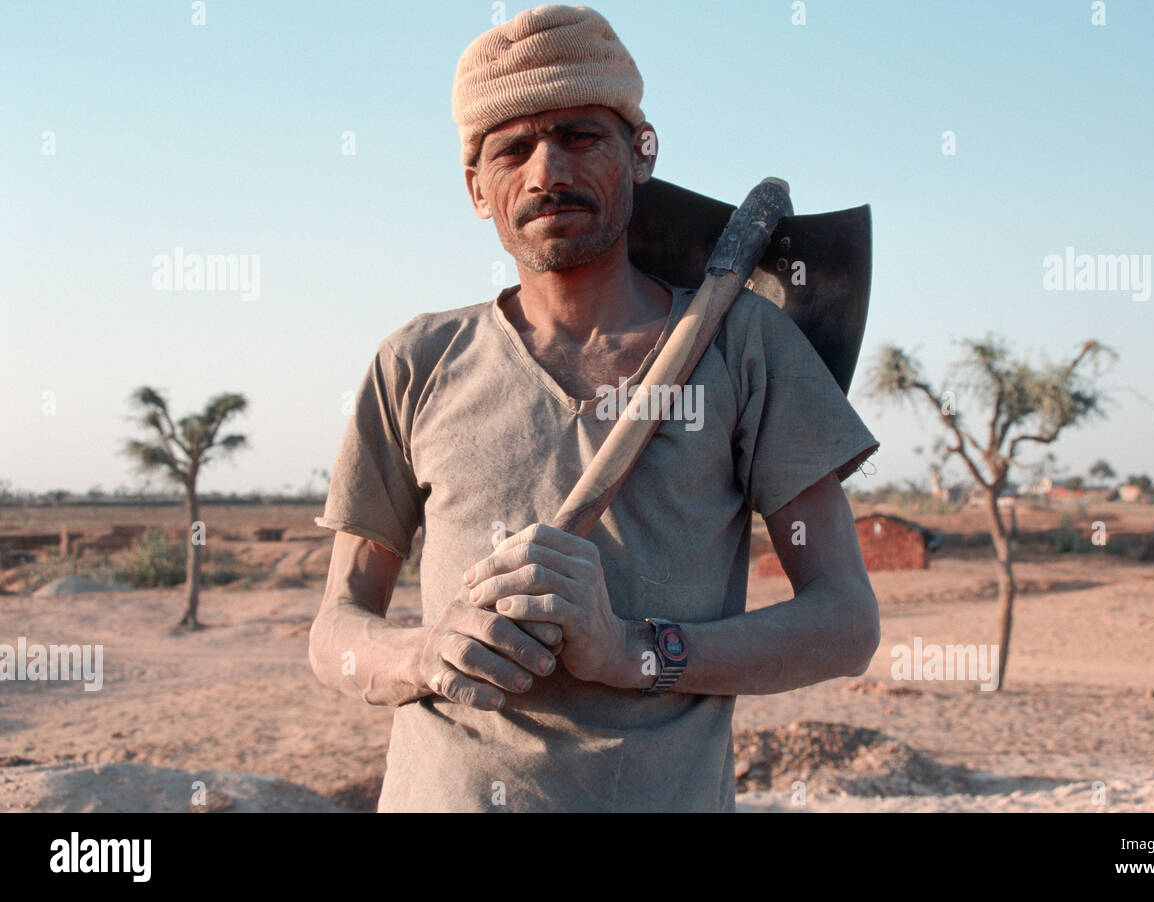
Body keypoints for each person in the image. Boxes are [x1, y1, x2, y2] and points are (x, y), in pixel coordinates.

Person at [309, 3, 882, 812]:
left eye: (580, 136)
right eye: (512, 148)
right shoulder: (417, 361)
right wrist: (426, 653)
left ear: (640, 154)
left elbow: (845, 622)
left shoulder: (744, 345)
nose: (547, 171)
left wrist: (633, 652)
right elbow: (336, 630)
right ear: (477, 188)